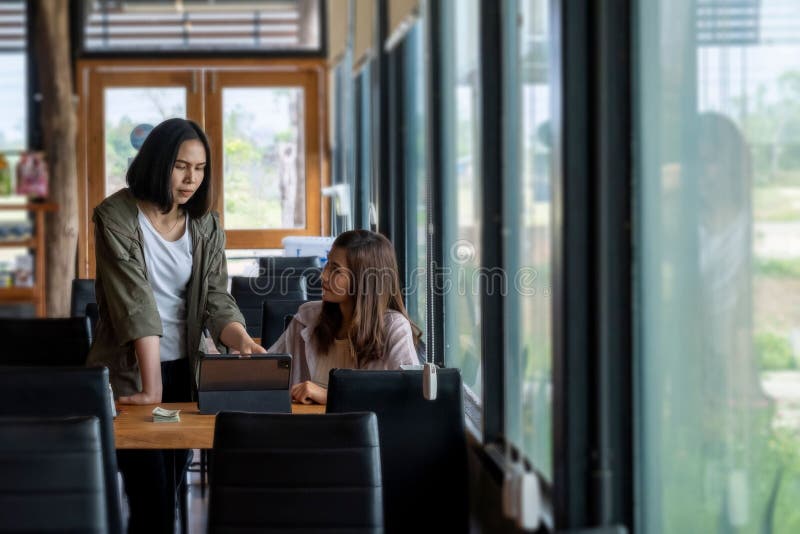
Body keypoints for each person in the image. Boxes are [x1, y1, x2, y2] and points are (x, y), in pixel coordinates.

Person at [86, 117, 264, 533]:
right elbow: (136, 304)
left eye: (200, 169)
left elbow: (216, 298)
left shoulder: (205, 223)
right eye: (181, 166)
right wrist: (152, 389)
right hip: (134, 373)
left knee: (169, 485)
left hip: (186, 373)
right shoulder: (114, 216)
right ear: (157, 162)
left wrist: (240, 340)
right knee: (150, 494)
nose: (191, 179)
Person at [268, 229, 422, 404]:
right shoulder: (307, 318)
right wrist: (245, 356)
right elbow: (266, 372)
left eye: (336, 270)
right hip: (304, 428)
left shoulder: (394, 327)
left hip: (364, 431)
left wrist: (330, 396)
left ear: (363, 279)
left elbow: (412, 395)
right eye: (327, 265)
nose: (323, 276)